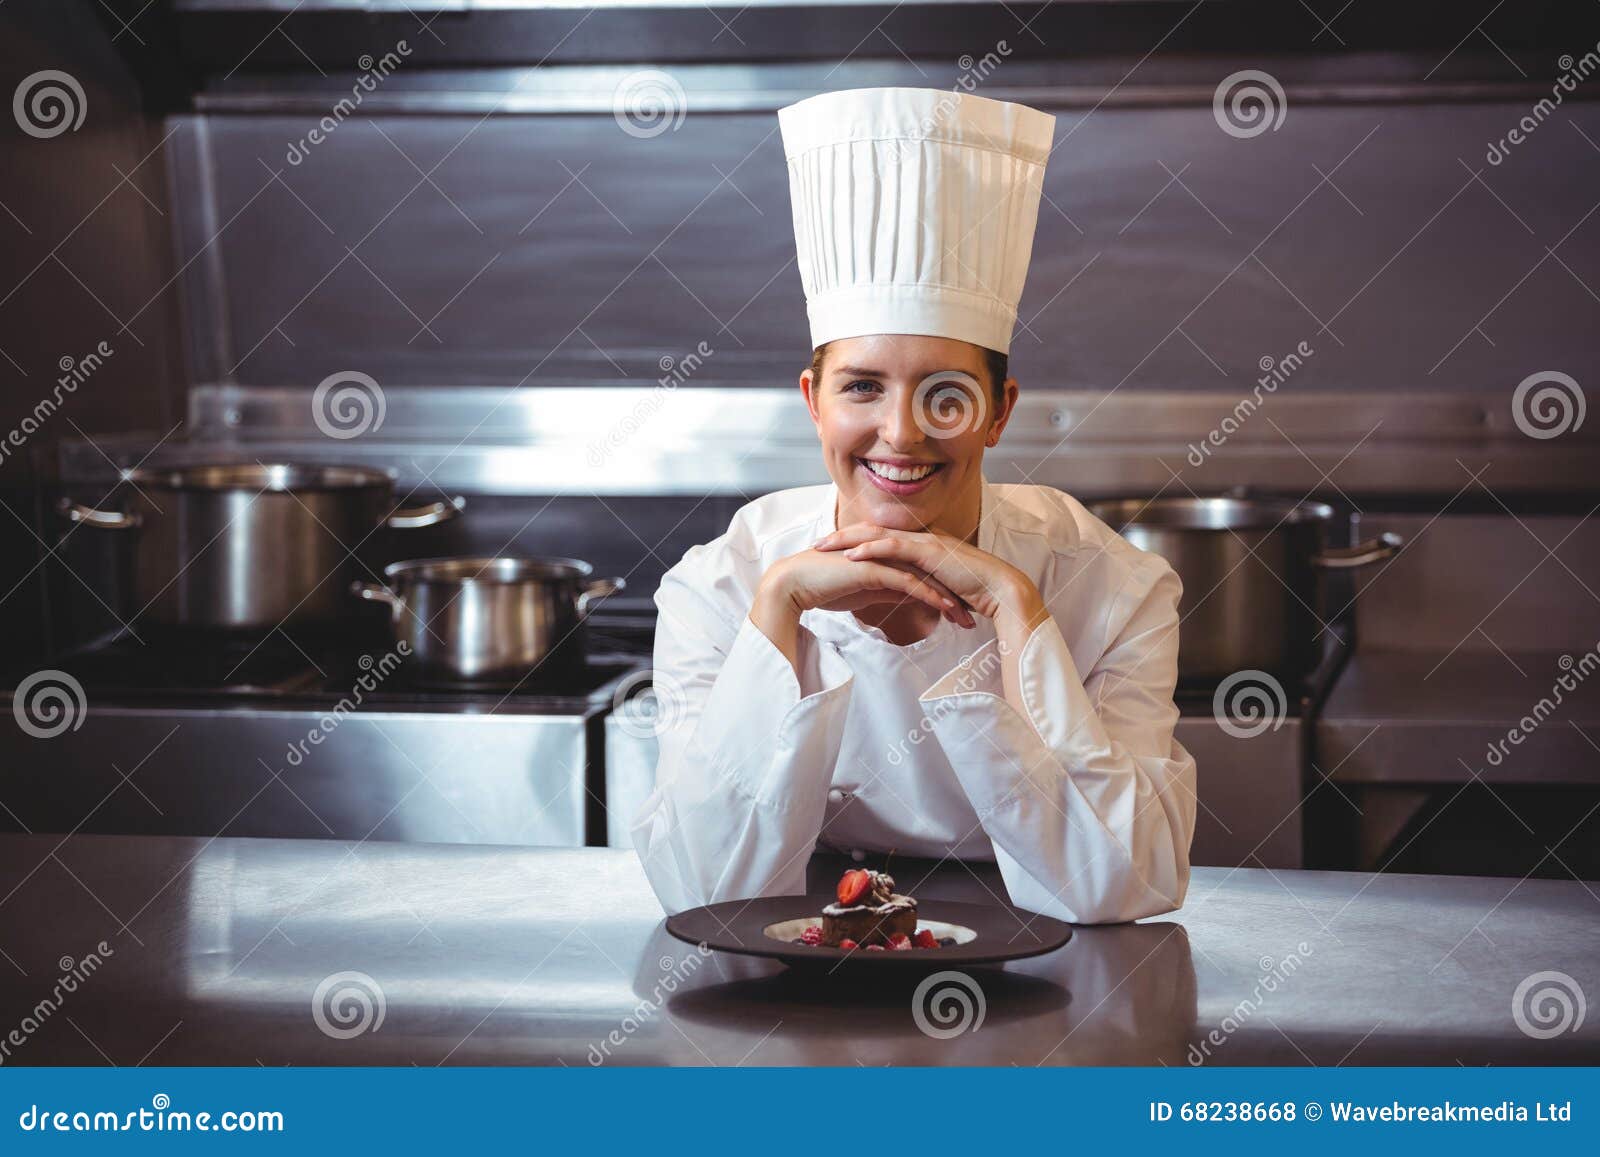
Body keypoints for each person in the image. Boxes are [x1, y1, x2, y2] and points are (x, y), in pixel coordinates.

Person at [631, 87, 1197, 923]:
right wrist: (778, 610)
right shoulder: (722, 585)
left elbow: (1124, 882)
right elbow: (705, 893)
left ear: (999, 411)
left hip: (1049, 954)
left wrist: (1017, 606)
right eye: (862, 387)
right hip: (805, 953)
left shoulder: (1115, 589)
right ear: (813, 401)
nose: (901, 433)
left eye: (946, 394)